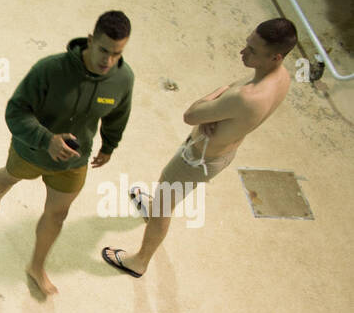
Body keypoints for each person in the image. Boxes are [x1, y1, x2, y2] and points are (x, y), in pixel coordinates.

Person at [102, 18, 296, 278]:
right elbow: (235, 102)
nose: (242, 52)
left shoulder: (247, 96)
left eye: (252, 50)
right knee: (165, 193)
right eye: (247, 44)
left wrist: (215, 102)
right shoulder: (281, 78)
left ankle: (139, 261)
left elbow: (191, 114)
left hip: (195, 160)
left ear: (276, 56)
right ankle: (156, 204)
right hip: (221, 152)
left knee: (162, 209)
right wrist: (224, 110)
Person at [0, 11, 135, 296]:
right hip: (31, 151)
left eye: (116, 54)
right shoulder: (50, 70)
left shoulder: (122, 79)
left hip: (74, 162)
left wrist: (109, 146)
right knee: (9, 176)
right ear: (90, 40)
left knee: (57, 214)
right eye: (103, 50)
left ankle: (36, 266)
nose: (107, 61)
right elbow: (15, 112)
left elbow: (118, 115)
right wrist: (46, 140)